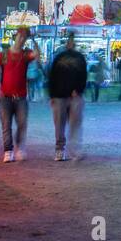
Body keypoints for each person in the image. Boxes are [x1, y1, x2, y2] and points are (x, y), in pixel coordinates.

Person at [0, 27, 37, 162]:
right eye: (20, 36)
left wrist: (34, 39)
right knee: (6, 125)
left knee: (22, 123)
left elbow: (37, 55)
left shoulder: (26, 54)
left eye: (25, 37)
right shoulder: (3, 54)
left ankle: (19, 147)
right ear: (15, 37)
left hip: (21, 97)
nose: (22, 39)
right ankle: (8, 151)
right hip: (5, 97)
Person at [48, 33, 88, 161]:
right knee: (59, 125)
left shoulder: (80, 58)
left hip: (75, 96)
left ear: (74, 43)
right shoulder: (59, 58)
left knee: (75, 124)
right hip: (59, 96)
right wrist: (52, 95)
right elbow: (52, 77)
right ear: (66, 43)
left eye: (72, 40)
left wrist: (79, 89)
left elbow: (83, 75)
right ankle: (60, 149)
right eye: (69, 40)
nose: (70, 43)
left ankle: (74, 149)